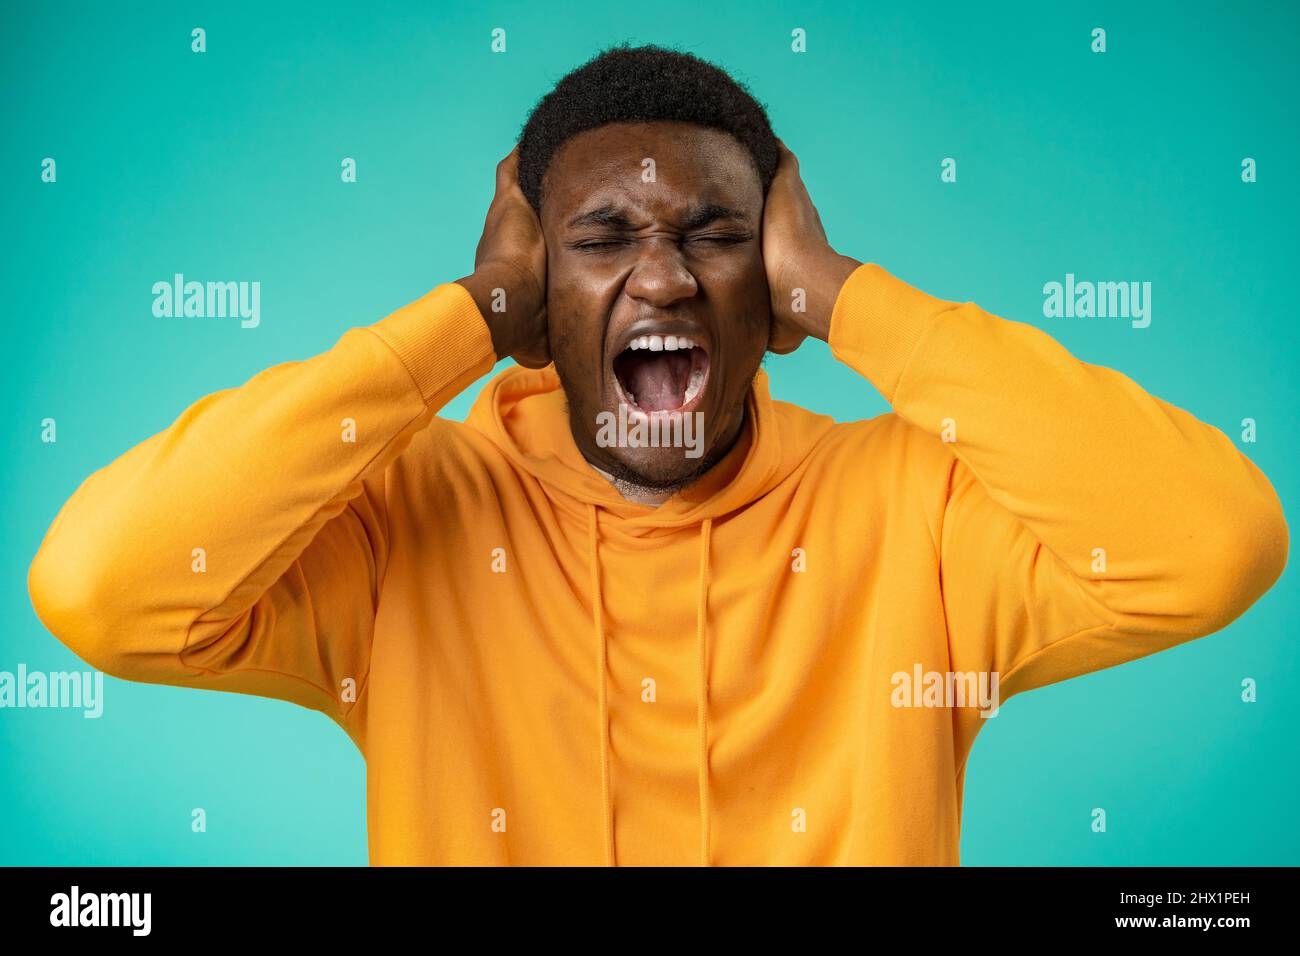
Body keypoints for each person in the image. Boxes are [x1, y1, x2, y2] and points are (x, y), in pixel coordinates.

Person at [28, 44, 1288, 866]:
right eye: (600, 235)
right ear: (537, 299)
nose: (664, 274)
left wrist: (848, 296)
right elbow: (103, 588)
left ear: (770, 299)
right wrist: (462, 319)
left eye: (718, 234)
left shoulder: (917, 506)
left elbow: (1211, 544)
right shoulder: (404, 517)